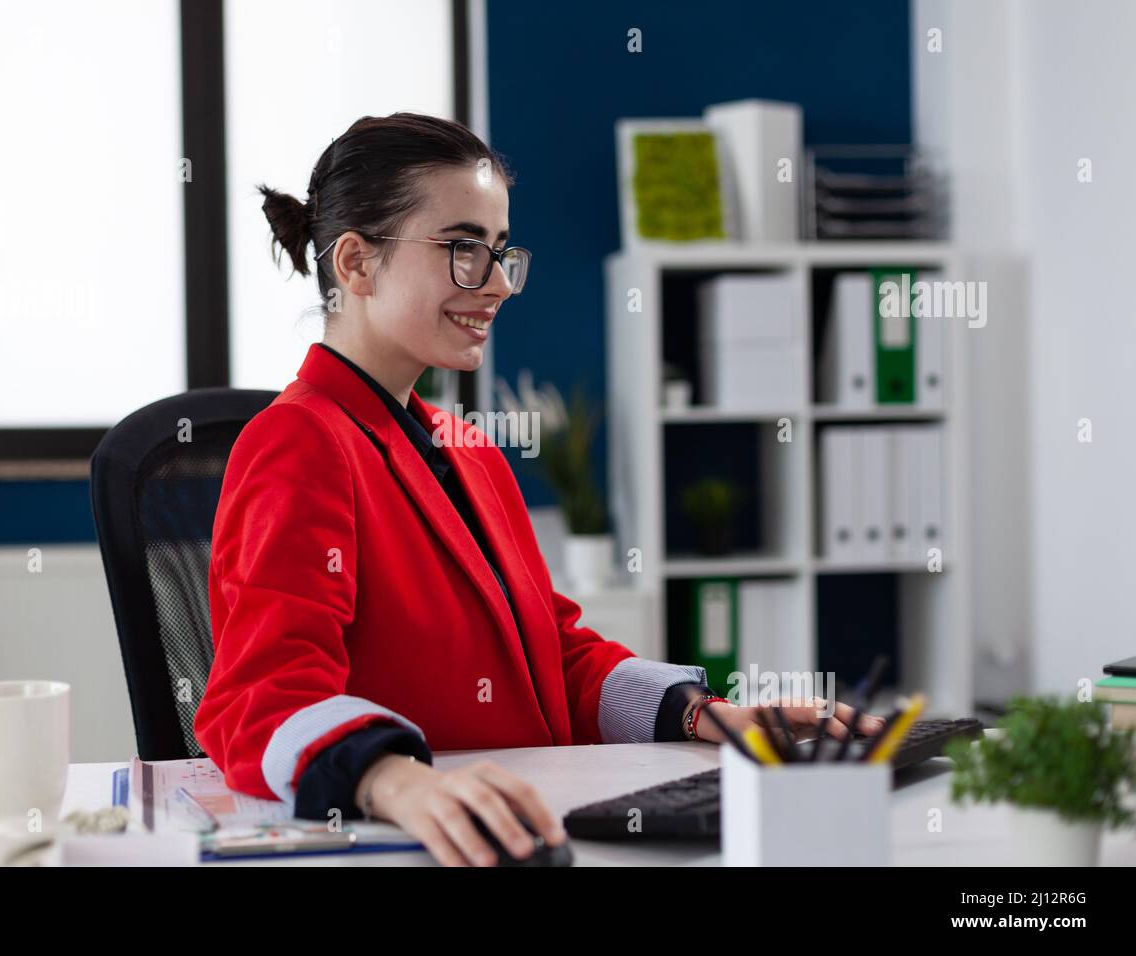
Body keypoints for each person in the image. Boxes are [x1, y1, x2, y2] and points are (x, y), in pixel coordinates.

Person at [192, 112, 884, 867]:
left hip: (538, 828)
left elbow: (555, 652)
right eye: (463, 250)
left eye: (500, 254)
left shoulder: (467, 450)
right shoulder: (299, 441)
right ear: (356, 264)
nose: (496, 286)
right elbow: (259, 697)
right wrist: (395, 780)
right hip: (427, 846)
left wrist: (703, 716)